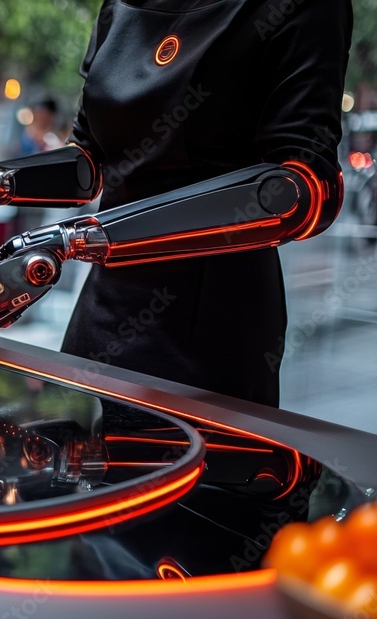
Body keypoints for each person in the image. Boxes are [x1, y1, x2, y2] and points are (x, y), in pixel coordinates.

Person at [55, 0, 352, 407]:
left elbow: (298, 186)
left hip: (210, 326)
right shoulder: (120, 5)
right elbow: (85, 156)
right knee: (75, 437)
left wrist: (74, 239)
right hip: (101, 310)